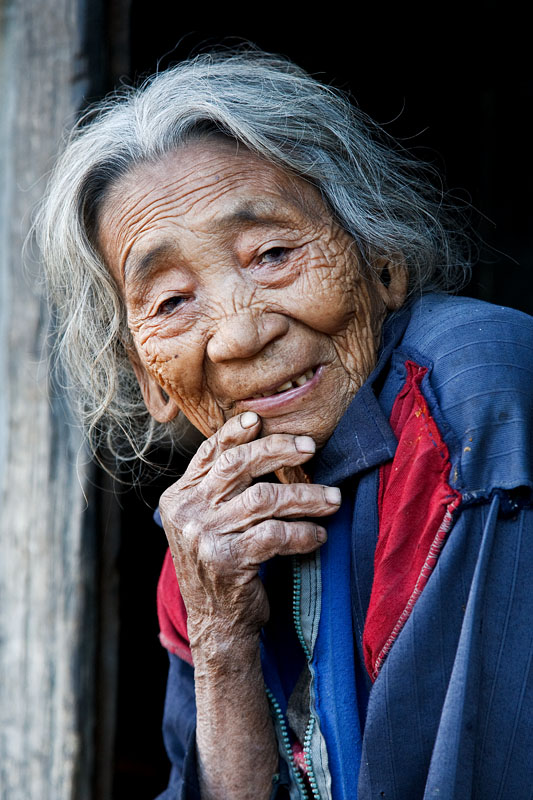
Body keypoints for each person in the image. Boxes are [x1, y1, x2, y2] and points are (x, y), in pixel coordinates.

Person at [38, 50, 533, 800]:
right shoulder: (205, 542)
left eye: (272, 254)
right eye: (171, 300)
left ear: (382, 256)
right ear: (150, 379)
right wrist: (222, 642)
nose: (239, 335)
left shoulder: (472, 401)